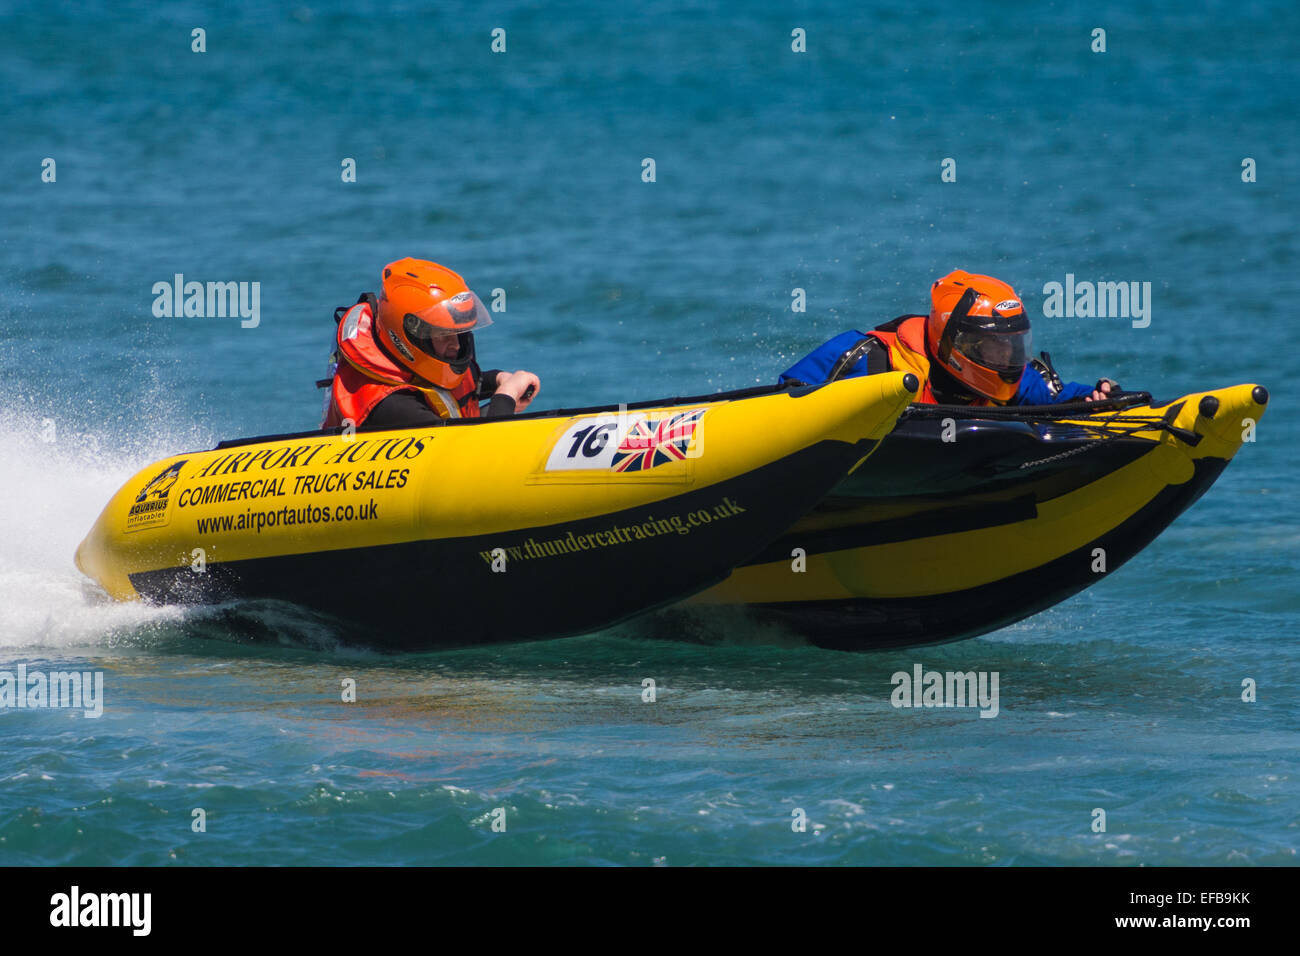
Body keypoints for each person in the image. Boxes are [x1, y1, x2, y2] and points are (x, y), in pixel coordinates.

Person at [779, 270, 1117, 405]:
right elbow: (780, 406)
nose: (1009, 360)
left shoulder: (1013, 381)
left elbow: (1052, 399)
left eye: (1013, 346)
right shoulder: (869, 358)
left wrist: (1093, 397)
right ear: (956, 345)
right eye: (995, 347)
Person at [320, 258, 540, 429]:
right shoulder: (392, 405)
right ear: (408, 337)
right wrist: (506, 396)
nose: (455, 345)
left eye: (459, 333)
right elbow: (486, 450)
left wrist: (498, 379)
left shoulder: (411, 366)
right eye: (443, 335)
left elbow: (460, 385)